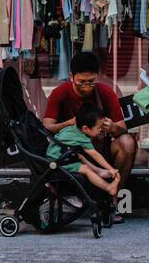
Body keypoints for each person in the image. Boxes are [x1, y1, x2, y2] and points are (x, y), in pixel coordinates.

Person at [43, 51, 138, 194]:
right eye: (82, 82)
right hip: (72, 153)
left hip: (99, 150)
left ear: (97, 77)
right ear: (71, 77)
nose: (87, 86)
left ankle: (115, 195)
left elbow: (123, 130)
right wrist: (69, 123)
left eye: (91, 81)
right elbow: (47, 126)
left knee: (128, 142)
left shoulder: (105, 93)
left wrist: (112, 127)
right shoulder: (59, 93)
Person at [50, 103, 122, 217]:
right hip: (57, 162)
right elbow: (95, 155)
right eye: (99, 128)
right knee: (86, 169)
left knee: (81, 158)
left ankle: (99, 171)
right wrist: (110, 168)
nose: (101, 130)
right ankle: (108, 187)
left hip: (58, 157)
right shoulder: (82, 138)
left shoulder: (72, 129)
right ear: (85, 128)